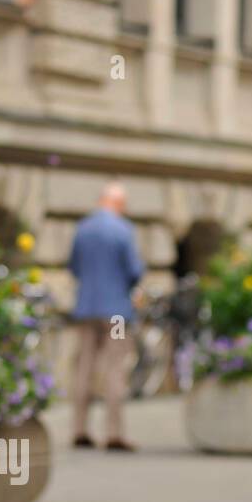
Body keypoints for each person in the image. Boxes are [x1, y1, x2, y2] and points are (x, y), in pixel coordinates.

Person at [67, 182, 145, 450]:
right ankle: (113, 433)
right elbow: (134, 271)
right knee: (115, 367)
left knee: (84, 367)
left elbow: (74, 266)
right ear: (118, 203)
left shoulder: (82, 228)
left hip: (86, 309)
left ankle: (79, 429)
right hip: (117, 314)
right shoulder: (123, 230)